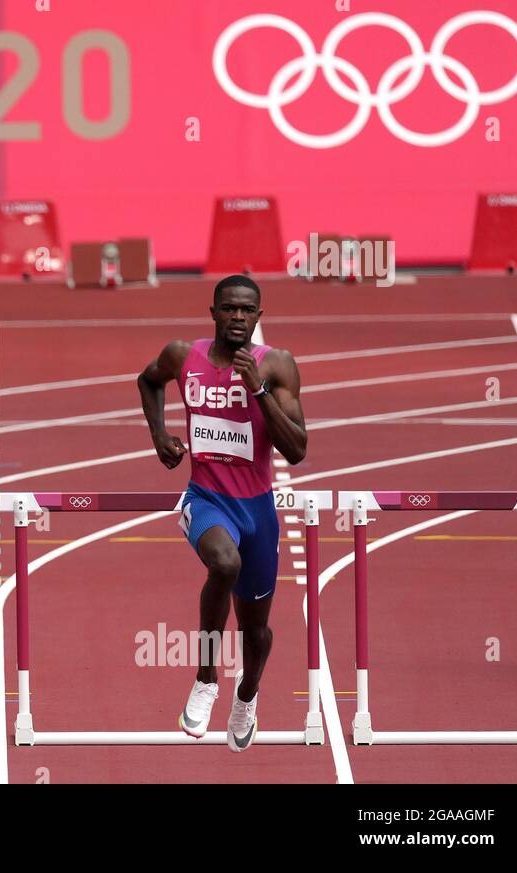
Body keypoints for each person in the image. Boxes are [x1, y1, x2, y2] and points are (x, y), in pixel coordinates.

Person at [137, 275, 307, 751]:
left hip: (258, 511)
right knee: (224, 563)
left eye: (246, 311)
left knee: (257, 632)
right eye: (228, 309)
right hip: (206, 498)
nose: (237, 317)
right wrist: (159, 436)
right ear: (213, 312)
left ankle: (246, 695)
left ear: (258, 316)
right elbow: (147, 381)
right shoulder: (181, 356)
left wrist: (259, 391)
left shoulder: (276, 365)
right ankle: (206, 677)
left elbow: (297, 450)